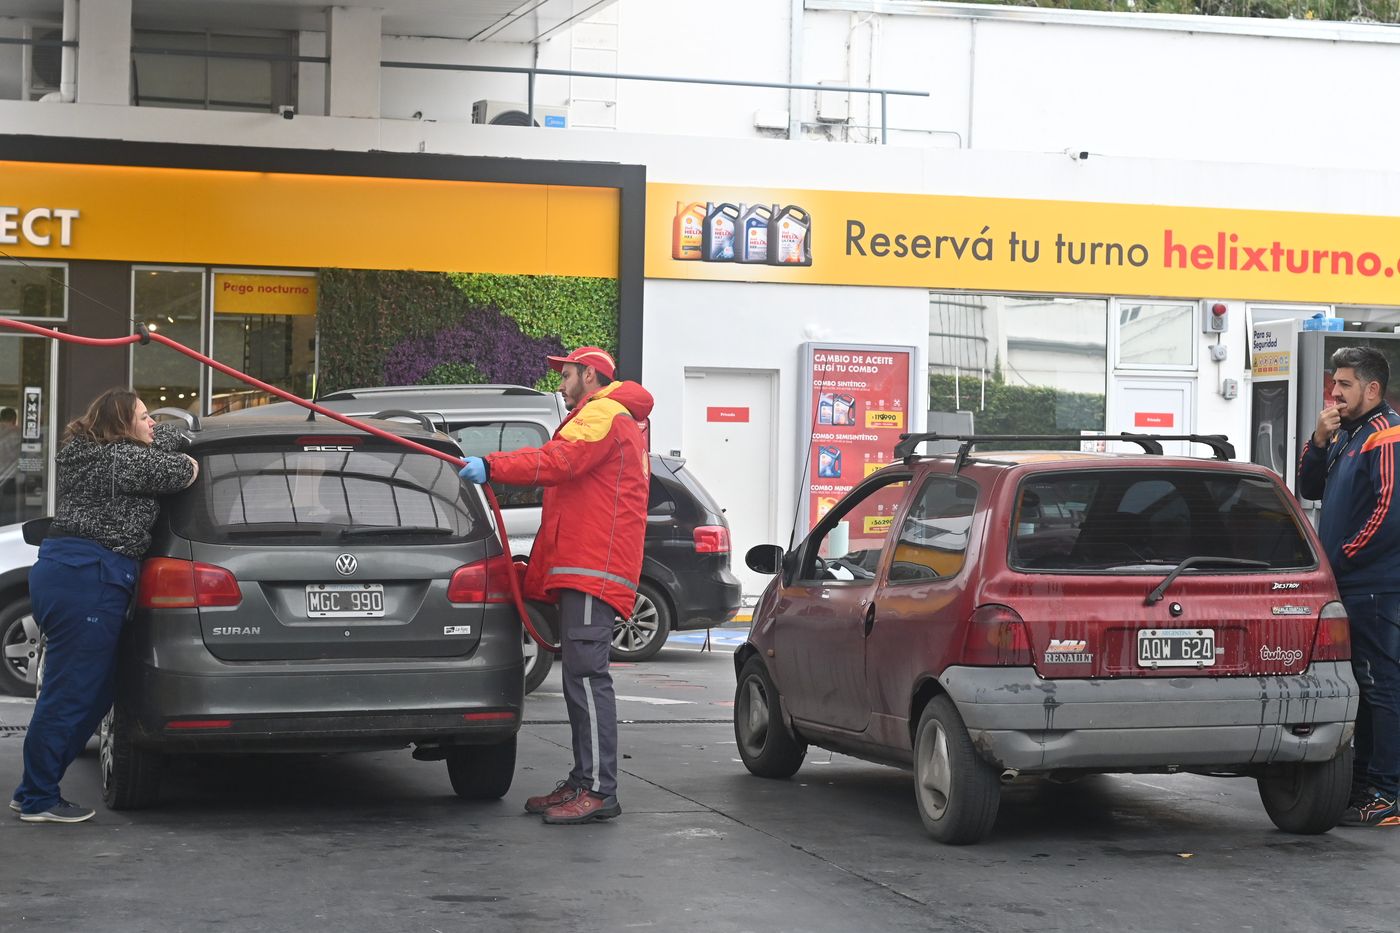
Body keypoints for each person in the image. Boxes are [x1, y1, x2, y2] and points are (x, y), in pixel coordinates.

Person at [459, 347, 652, 825]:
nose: (561, 384)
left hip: (593, 569)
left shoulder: (603, 414)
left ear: (590, 374)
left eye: (566, 375)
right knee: (579, 679)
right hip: (586, 567)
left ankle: (600, 790)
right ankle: (584, 780)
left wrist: (492, 466)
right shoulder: (604, 415)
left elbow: (557, 462)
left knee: (586, 678)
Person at [11, 388, 197, 823]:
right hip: (88, 578)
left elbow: (164, 440)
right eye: (144, 417)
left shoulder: (92, 451)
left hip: (70, 572)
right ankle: (37, 797)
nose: (153, 424)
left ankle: (36, 789)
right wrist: (184, 443)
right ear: (121, 426)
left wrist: (165, 433)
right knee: (71, 692)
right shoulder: (123, 461)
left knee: (93, 692)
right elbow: (185, 470)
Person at [1297, 346, 1400, 828]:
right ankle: (1363, 785)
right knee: (1362, 687)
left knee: (1382, 688)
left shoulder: (1387, 435)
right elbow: (1309, 489)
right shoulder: (1347, 434)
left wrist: (1336, 563)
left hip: (1375, 587)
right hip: (1348, 584)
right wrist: (1318, 441)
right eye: (1334, 383)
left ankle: (1387, 793)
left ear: (1372, 389)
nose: (1334, 393)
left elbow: (1388, 514)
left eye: (1344, 384)